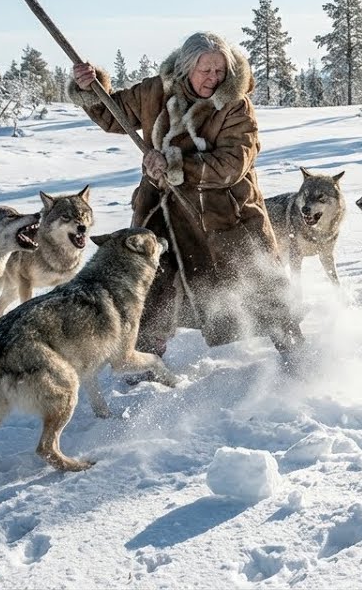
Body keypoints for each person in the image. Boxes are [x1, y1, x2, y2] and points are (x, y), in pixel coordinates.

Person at [68, 32, 304, 361]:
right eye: (205, 70)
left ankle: (297, 358)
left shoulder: (234, 104)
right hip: (161, 212)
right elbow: (113, 115)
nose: (214, 78)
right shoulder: (155, 91)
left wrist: (174, 163)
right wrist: (89, 87)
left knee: (258, 284)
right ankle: (146, 366)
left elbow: (232, 164)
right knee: (153, 286)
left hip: (224, 214)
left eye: (220, 70)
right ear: (185, 67)